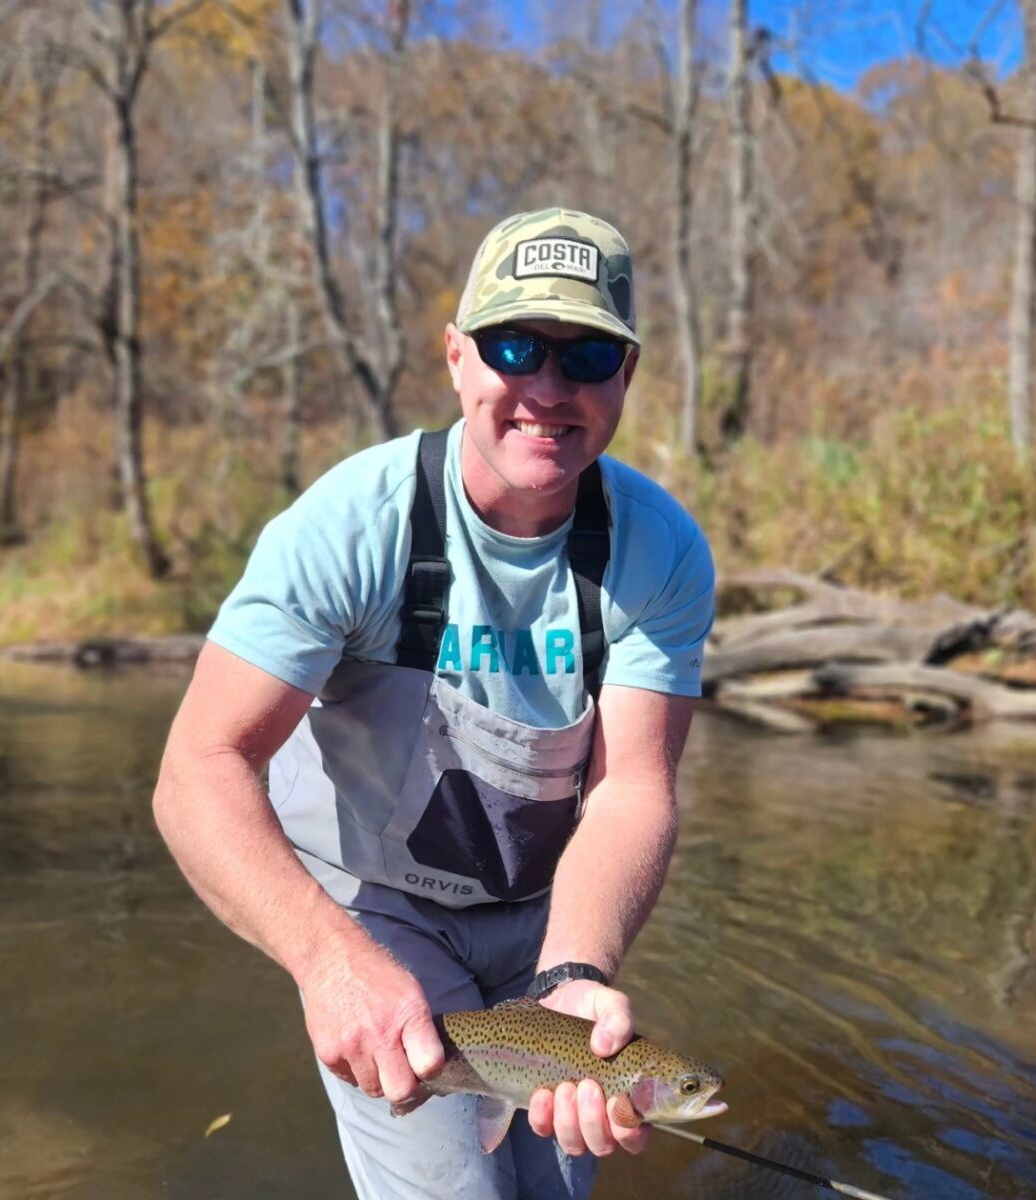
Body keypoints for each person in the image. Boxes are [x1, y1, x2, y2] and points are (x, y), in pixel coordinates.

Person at [153, 207, 716, 1200]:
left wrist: (570, 973)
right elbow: (199, 768)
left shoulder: (659, 551)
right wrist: (329, 964)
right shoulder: (350, 527)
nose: (547, 389)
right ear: (457, 359)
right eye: (513, 347)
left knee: (553, 1189)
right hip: (377, 911)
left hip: (544, 916)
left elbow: (632, 788)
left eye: (585, 355)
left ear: (625, 377)